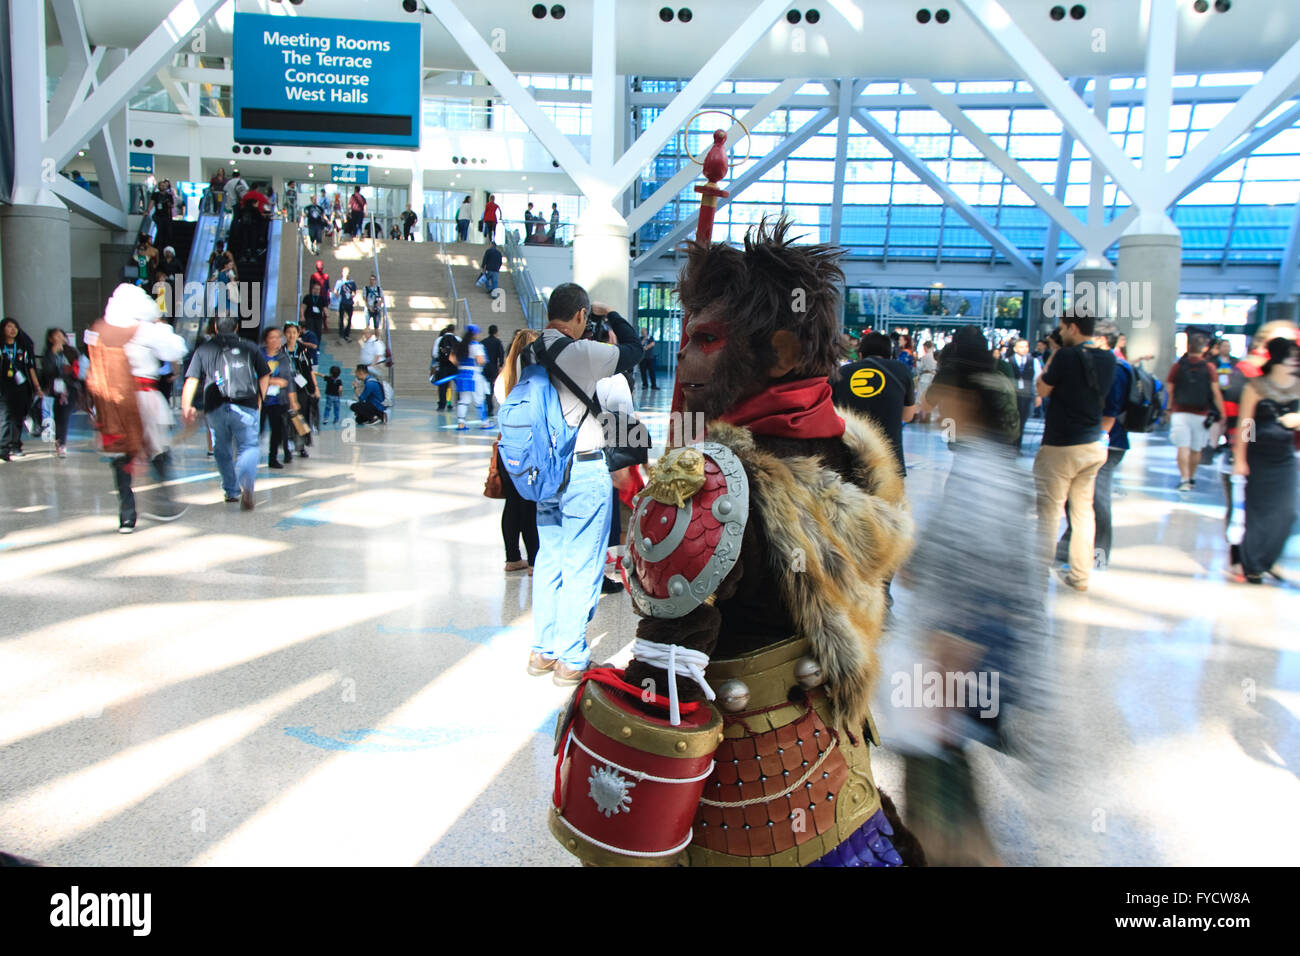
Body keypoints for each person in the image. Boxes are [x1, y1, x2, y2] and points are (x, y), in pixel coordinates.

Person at [547, 220, 919, 868]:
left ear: (776, 352)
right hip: (837, 770)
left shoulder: (712, 481)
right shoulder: (851, 450)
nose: (685, 358)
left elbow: (662, 692)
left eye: (707, 339)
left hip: (742, 805)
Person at [887, 323, 1043, 866]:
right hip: (967, 661)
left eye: (941, 395)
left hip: (955, 666)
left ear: (965, 399)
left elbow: (980, 582)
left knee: (935, 800)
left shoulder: (980, 475)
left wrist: (947, 668)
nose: (930, 404)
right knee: (949, 791)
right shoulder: (992, 466)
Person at [524, 284, 642, 687]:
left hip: (543, 472)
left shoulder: (529, 349)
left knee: (549, 559)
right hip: (583, 470)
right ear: (580, 315)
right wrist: (609, 315)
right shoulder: (582, 352)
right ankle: (572, 657)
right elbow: (633, 348)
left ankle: (543, 650)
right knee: (582, 564)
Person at [84, 284, 188, 531]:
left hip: (113, 401)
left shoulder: (100, 331)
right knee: (158, 449)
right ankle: (164, 504)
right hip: (144, 398)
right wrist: (162, 328)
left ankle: (127, 515)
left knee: (121, 455)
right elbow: (176, 349)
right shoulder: (144, 330)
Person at [1033, 308, 1117, 592]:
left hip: (1061, 446)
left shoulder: (1065, 356)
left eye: (1062, 327)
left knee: (1049, 511)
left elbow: (1042, 390)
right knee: (1083, 512)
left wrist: (1054, 357)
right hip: (1093, 444)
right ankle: (1080, 576)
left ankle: (1038, 574)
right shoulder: (1109, 359)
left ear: (1072, 328)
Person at [1054, 320, 1129, 570]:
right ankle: (1068, 550)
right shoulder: (1102, 364)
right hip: (1093, 441)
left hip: (1105, 442)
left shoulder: (1113, 367)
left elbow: (1111, 411)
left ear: (1100, 340)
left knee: (1097, 500)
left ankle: (1098, 555)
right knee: (1078, 501)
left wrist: (1099, 439)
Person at [181, 315, 269, 510]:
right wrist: (260, 399)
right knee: (248, 446)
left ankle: (231, 490)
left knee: (222, 450)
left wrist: (186, 405)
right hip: (246, 403)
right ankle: (247, 486)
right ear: (237, 327)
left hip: (215, 406)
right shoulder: (250, 346)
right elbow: (265, 373)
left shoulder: (204, 349)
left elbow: (192, 379)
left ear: (215, 327)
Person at [1233, 337, 1300, 584]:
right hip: (1258, 455)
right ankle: (1253, 564)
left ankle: (1269, 559)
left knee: (1289, 512)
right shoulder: (1256, 386)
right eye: (1292, 354)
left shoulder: (1297, 385)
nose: (1295, 359)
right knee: (1257, 512)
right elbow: (1246, 424)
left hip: (1285, 456)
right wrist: (1241, 457)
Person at [831, 330, 916, 478]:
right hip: (890, 461)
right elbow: (908, 416)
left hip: (848, 461)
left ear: (861, 355)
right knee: (889, 501)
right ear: (889, 355)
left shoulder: (841, 373)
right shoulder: (901, 370)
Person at [494, 329, 541, 572]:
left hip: (506, 447)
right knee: (530, 503)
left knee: (512, 503)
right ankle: (534, 560)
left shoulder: (503, 378)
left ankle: (512, 557)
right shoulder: (535, 379)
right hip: (530, 447)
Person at [1166, 332, 1226, 492]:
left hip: (1180, 412)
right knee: (1196, 448)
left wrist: (1169, 407)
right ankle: (1191, 477)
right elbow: (1215, 391)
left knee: (1182, 447)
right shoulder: (1209, 367)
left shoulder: (1178, 366)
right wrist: (1222, 412)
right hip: (1201, 413)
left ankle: (1184, 479)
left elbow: (1170, 388)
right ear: (1205, 348)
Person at [0, 318, 42, 461]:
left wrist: (37, 387)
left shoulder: (23, 347)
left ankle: (16, 446)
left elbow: (30, 368)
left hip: (21, 388)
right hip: (4, 389)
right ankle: (3, 449)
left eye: (15, 327)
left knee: (18, 418)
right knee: (5, 418)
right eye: (9, 326)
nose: (13, 329)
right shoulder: (1, 347)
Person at [40, 328, 83, 459]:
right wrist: (53, 353)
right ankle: (59, 440)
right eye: (56, 336)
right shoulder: (48, 353)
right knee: (58, 415)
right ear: (50, 339)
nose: (60, 338)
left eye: (62, 335)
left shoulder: (71, 351)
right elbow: (47, 369)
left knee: (64, 415)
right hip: (54, 388)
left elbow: (79, 368)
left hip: (70, 387)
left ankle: (61, 444)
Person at [259, 326, 298, 469]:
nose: (276, 340)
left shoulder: (283, 357)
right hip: (259, 399)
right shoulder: (258, 354)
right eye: (272, 337)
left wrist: (293, 401)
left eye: (278, 337)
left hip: (278, 400)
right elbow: (252, 375)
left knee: (277, 430)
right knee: (256, 429)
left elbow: (288, 380)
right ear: (265, 340)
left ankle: (273, 458)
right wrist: (272, 381)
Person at [1001, 338, 1043, 452]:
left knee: (1023, 420)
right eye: (1021, 346)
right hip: (1012, 396)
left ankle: (1017, 445)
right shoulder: (1008, 361)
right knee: (1011, 420)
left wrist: (1038, 395)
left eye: (1026, 347)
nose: (1024, 349)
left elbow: (1037, 379)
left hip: (1027, 395)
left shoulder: (1033, 361)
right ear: (1015, 348)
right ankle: (1011, 444)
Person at [283, 322, 318, 459]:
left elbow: (310, 371)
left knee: (301, 417)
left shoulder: (303, 351)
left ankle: (301, 446)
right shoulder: (281, 351)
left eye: (294, 332)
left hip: (301, 387)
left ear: (298, 334)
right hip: (286, 388)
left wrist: (315, 388)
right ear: (285, 334)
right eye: (289, 332)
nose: (291, 335)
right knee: (288, 417)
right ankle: (287, 446)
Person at [452, 325, 491, 430]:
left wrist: (461, 365)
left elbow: (452, 358)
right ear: (474, 334)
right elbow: (480, 360)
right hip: (474, 375)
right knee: (479, 399)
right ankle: (485, 422)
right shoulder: (477, 346)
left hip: (462, 375)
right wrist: (484, 361)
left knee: (463, 400)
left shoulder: (460, 345)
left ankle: (461, 423)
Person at [431, 325, 459, 410]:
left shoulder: (439, 339)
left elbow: (434, 354)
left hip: (443, 365)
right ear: (454, 330)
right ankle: (459, 402)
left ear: (446, 330)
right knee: (458, 384)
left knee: (442, 385)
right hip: (454, 365)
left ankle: (441, 405)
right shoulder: (457, 339)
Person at [482, 324, 505, 417]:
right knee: (491, 388)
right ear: (496, 332)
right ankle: (490, 408)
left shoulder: (483, 342)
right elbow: (501, 355)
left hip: (484, 368)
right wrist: (501, 365)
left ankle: (488, 406)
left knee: (486, 388)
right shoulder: (498, 342)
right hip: (493, 368)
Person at [914, 340, 938, 423]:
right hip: (932, 378)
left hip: (925, 378)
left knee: (920, 397)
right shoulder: (935, 356)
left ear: (925, 347)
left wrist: (917, 361)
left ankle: (917, 416)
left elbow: (919, 368)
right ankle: (927, 417)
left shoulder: (925, 357)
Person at [333, 267, 357, 343]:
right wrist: (338, 295)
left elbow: (354, 292)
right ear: (342, 273)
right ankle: (341, 335)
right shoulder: (339, 282)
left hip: (349, 303)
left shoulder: (352, 282)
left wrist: (352, 295)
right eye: (345, 272)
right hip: (342, 303)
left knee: (349, 319)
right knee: (341, 319)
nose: (346, 274)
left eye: (348, 272)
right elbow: (335, 291)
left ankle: (347, 334)